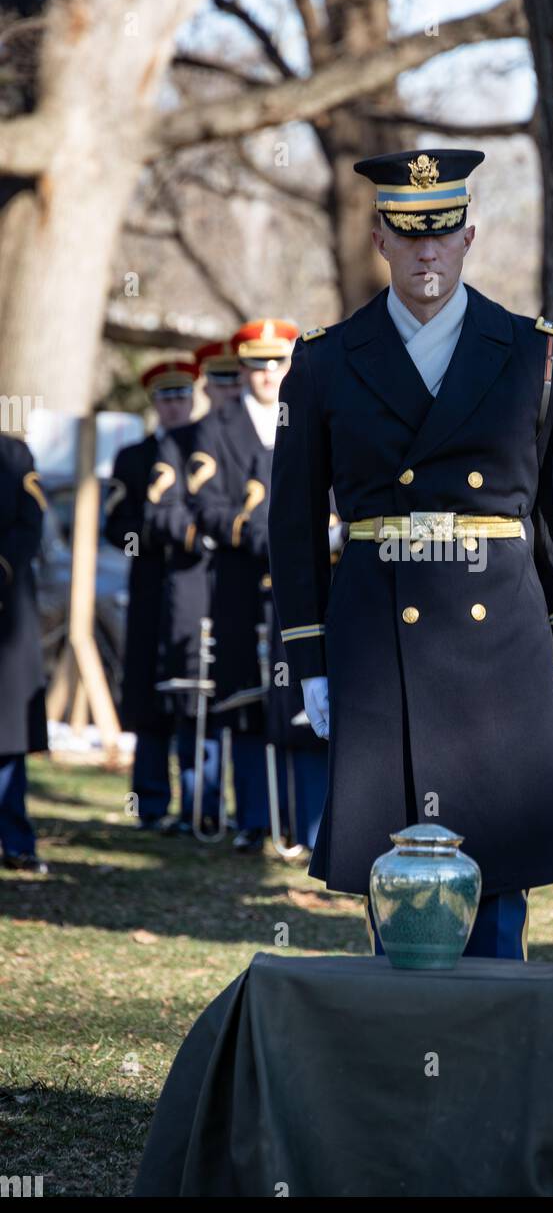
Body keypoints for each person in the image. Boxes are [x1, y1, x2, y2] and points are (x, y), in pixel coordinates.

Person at [268, 148, 553, 960]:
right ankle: (402, 1062)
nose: (426, 253)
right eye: (408, 235)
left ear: (469, 235)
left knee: (497, 884)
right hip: (379, 647)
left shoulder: (535, 356)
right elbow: (294, 525)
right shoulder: (325, 363)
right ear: (380, 238)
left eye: (442, 234)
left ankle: (493, 1056)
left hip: (501, 653)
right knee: (397, 885)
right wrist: (308, 660)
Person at [185, 318, 327, 856]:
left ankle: (311, 827)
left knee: (308, 704)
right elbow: (209, 508)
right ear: (241, 367)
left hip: (307, 588)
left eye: (278, 361)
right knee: (245, 705)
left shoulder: (314, 416)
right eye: (256, 363)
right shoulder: (215, 428)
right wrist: (272, 535)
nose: (268, 373)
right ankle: (253, 820)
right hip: (244, 588)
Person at [105, 358, 219, 831]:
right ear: (153, 402)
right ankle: (149, 802)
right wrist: (161, 533)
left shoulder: (210, 449)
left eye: (182, 396)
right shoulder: (134, 457)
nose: (175, 406)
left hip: (200, 587)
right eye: (166, 398)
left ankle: (200, 806)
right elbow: (116, 524)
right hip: (151, 585)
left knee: (198, 692)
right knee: (148, 692)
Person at [0, 435, 49, 873]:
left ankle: (15, 841)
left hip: (6, 608)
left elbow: (31, 522)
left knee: (6, 735)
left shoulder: (12, 455)